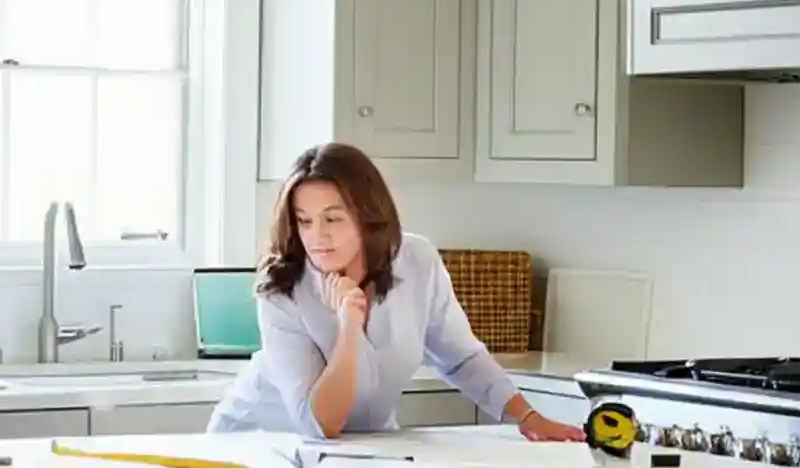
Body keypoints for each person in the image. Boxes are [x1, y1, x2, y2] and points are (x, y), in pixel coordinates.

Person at [207, 143, 586, 442]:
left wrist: (527, 417)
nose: (317, 236)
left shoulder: (416, 260)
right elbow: (320, 423)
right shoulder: (282, 288)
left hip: (363, 447)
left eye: (333, 218)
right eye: (304, 221)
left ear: (367, 215)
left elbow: (462, 358)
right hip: (261, 443)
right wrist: (349, 328)